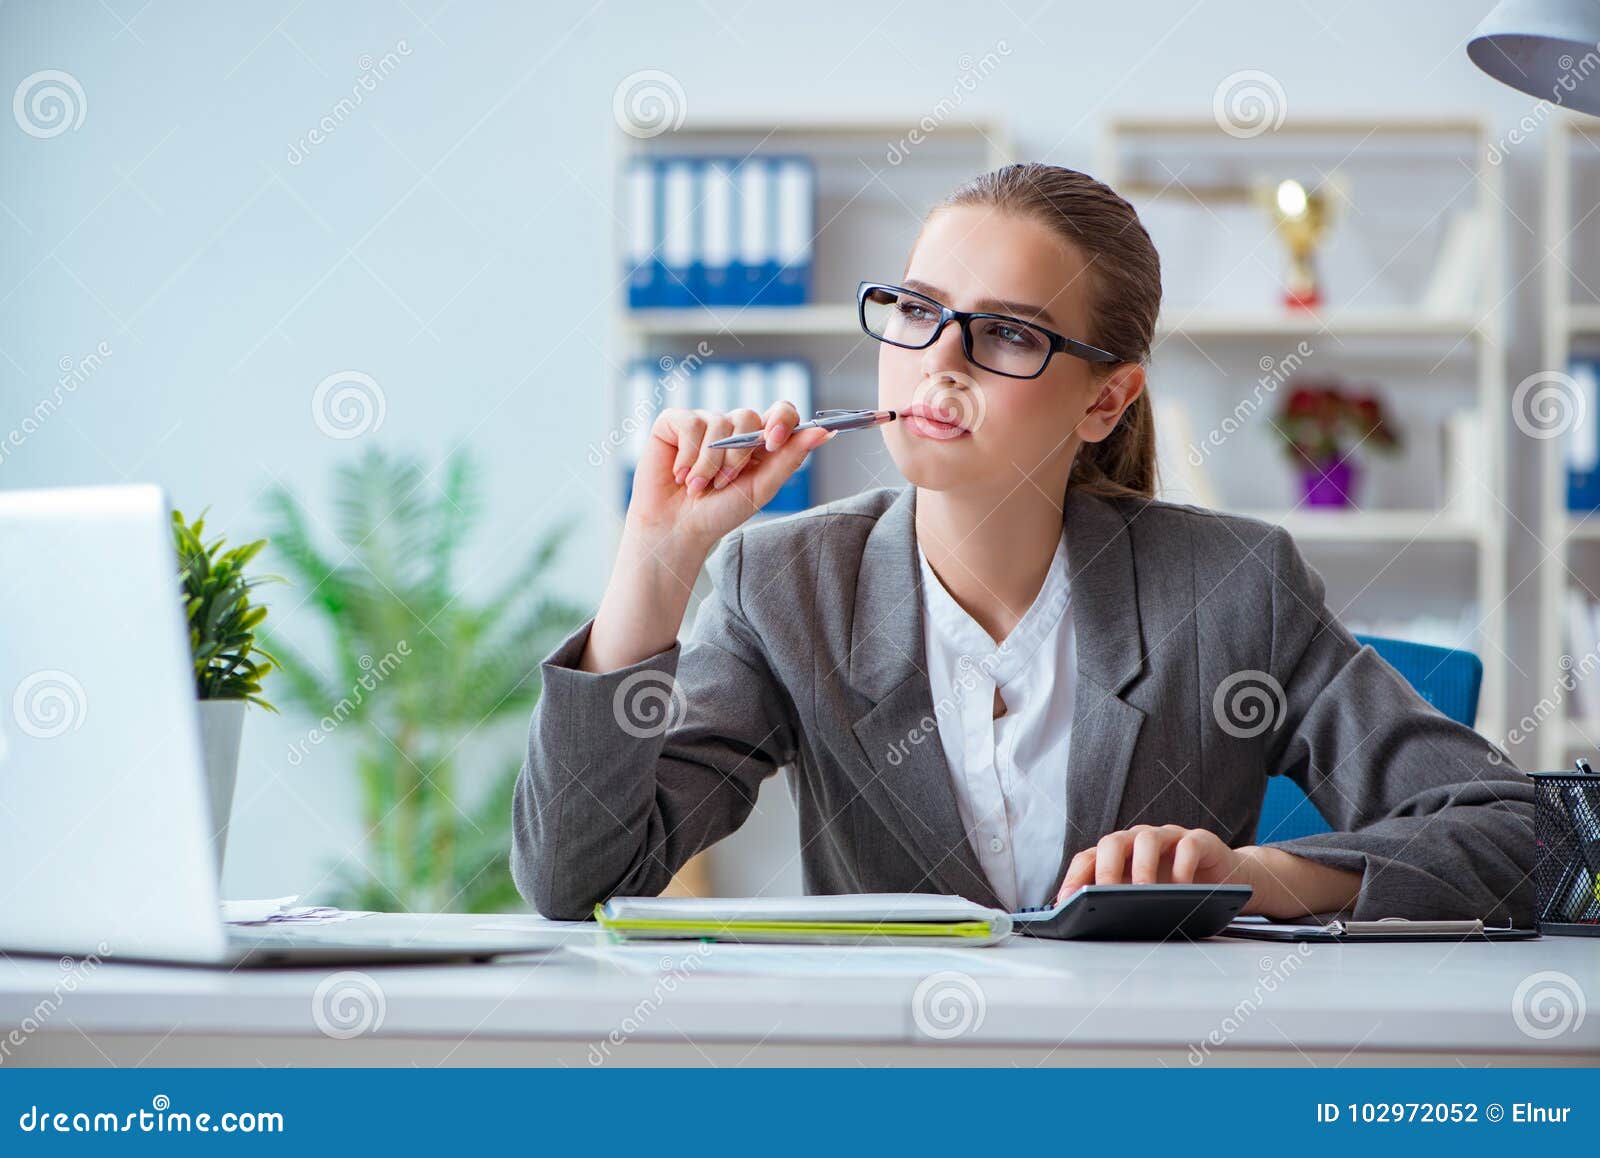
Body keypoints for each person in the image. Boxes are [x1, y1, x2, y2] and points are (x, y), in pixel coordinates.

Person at [511, 161, 1536, 926]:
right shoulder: (783, 584)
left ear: (1105, 401)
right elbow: (577, 879)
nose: (938, 361)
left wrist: (1261, 875)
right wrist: (654, 562)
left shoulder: (1231, 586)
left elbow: (1516, 835)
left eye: (1005, 333)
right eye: (917, 311)